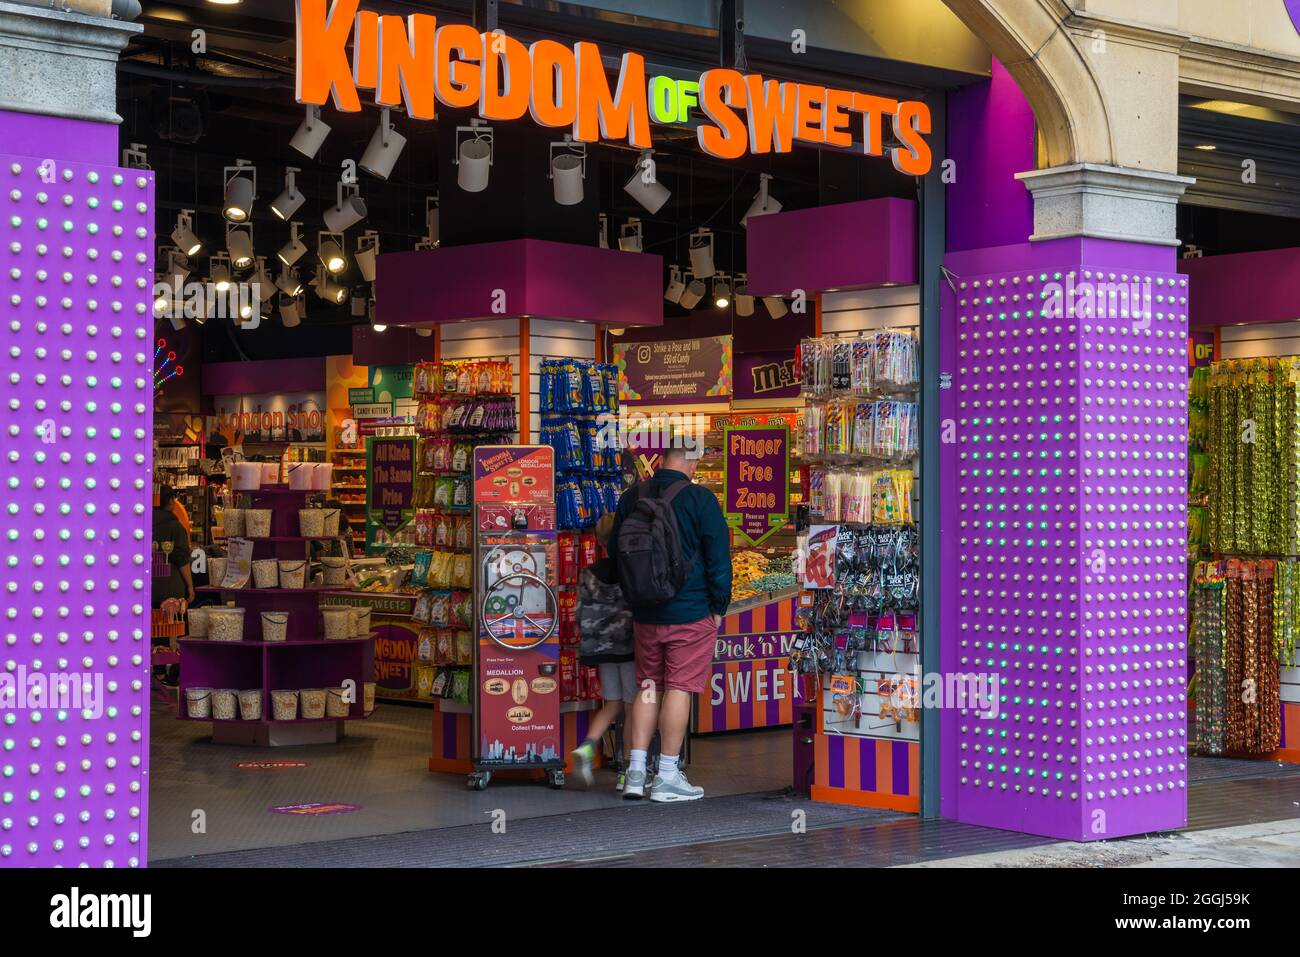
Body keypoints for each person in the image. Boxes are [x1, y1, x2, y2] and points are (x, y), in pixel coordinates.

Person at [610, 442, 731, 803]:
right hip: (690, 612)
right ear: (690, 462)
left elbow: (615, 552)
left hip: (645, 613)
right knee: (679, 686)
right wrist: (719, 606)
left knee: (648, 685)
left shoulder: (632, 497)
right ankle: (665, 775)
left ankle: (634, 772)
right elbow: (718, 560)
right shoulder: (701, 500)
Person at [570, 514, 636, 791]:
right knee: (633, 709)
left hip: (599, 648)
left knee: (611, 704)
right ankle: (628, 770)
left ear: (597, 540)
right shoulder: (630, 571)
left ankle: (586, 747)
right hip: (629, 647)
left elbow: (578, 612)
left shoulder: (588, 573)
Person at [153, 485, 194, 607]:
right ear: (170, 500)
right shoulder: (175, 527)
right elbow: (181, 560)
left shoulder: (140, 524)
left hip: (143, 588)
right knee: (171, 625)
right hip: (170, 589)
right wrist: (190, 586)